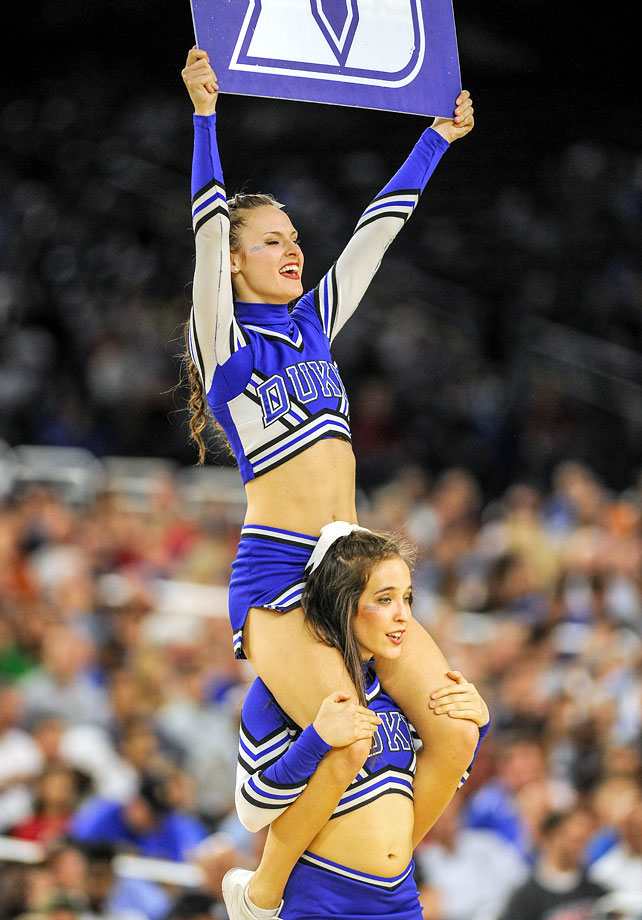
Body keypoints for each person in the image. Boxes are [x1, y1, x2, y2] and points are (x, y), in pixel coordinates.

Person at [181, 47, 479, 915]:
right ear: (235, 263)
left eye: (294, 237)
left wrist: (436, 139)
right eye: (271, 240)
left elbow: (375, 232)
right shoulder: (225, 345)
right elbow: (205, 228)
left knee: (458, 727)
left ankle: (382, 873)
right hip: (278, 575)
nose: (293, 248)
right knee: (343, 736)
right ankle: (262, 891)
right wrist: (205, 117)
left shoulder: (313, 322)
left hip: (353, 569)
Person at [224, 527, 490, 919]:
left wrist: (475, 728)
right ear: (344, 604)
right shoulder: (276, 693)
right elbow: (251, 809)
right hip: (322, 899)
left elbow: (442, 779)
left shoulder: (395, 695)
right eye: (385, 600)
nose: (403, 615)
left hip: (399, 899)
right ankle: (256, 898)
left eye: (407, 598)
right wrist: (316, 739)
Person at [497, 808, 607, 920]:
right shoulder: (525, 897)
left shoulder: (596, 891)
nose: (579, 846)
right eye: (573, 839)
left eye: (583, 840)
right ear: (549, 838)